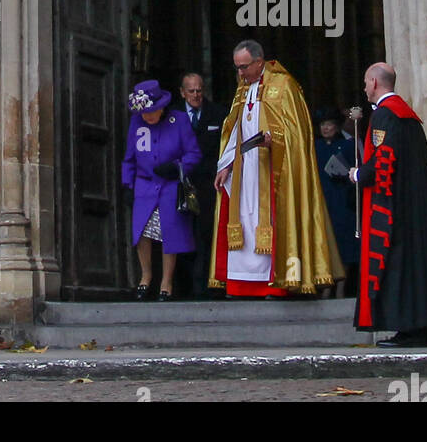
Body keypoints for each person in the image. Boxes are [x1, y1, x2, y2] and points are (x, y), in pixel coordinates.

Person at [210, 39, 340, 296]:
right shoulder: (242, 89)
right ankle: (240, 284)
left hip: (273, 171)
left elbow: (297, 133)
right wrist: (225, 164)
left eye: (244, 67)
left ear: (259, 62)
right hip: (245, 171)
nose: (240, 73)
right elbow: (234, 128)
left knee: (268, 222)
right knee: (244, 225)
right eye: (237, 68)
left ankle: (277, 282)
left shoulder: (284, 85)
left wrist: (276, 140)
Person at [350, 62, 427, 346]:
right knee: (418, 266)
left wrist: (358, 174)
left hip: (394, 209)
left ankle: (409, 330)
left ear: (375, 82)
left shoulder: (384, 116)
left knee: (400, 268)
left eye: (366, 83)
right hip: (414, 207)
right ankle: (424, 328)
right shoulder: (407, 116)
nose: (365, 88)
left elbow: (383, 164)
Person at [121, 79, 201, 301]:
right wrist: (127, 185)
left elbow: (194, 154)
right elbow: (128, 158)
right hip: (144, 185)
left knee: (169, 232)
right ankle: (145, 277)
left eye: (151, 111)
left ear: (162, 106)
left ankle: (166, 282)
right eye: (144, 112)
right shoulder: (136, 123)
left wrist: (177, 167)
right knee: (142, 232)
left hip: (170, 186)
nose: (147, 116)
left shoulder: (180, 121)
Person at [178, 71, 224, 298]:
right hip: (180, 184)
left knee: (206, 234)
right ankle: (182, 287)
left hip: (208, 184)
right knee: (182, 235)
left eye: (199, 90)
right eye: (191, 91)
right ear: (182, 92)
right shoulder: (173, 116)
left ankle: (206, 285)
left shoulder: (218, 113)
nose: (196, 95)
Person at [315, 107, 358, 295]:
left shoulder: (348, 146)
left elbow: (356, 172)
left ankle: (341, 288)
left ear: (337, 126)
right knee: (323, 242)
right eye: (323, 124)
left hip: (342, 200)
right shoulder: (315, 146)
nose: (325, 128)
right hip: (323, 199)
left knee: (344, 245)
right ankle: (325, 286)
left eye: (329, 124)